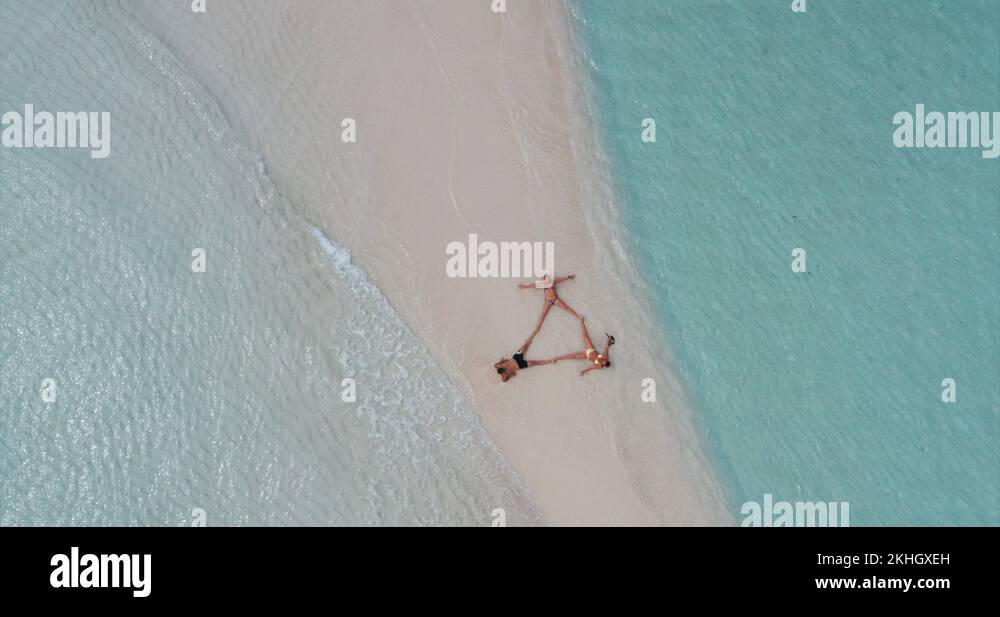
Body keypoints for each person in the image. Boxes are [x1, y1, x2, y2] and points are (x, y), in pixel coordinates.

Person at [533, 316, 615, 377]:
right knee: (585, 336)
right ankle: (581, 321)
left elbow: (591, 367)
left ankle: (556, 358)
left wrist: (584, 371)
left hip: (586, 355)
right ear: (606, 360)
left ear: (603, 365)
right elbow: (606, 348)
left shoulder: (599, 366)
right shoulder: (605, 357)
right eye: (605, 360)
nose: (604, 360)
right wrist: (608, 341)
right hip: (591, 349)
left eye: (604, 362)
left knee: (571, 356)